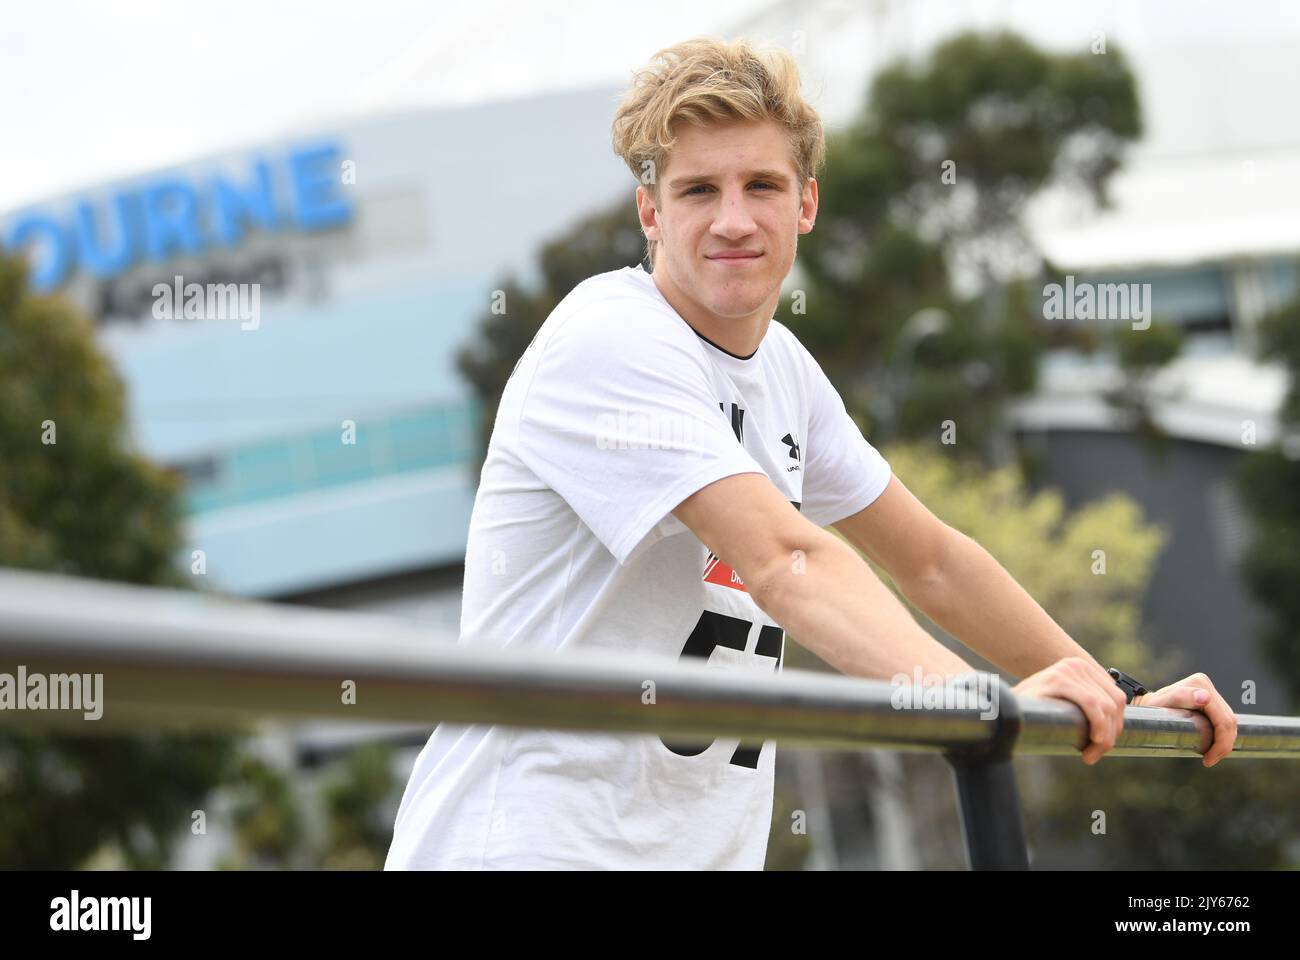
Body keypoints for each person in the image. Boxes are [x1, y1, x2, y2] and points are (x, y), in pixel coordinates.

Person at [384, 36, 1237, 870]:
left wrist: (1113, 695)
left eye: (761, 185)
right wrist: (981, 706)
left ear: (806, 205)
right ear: (651, 212)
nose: (733, 219)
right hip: (522, 845)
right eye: (696, 191)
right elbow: (783, 559)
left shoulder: (784, 370)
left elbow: (932, 559)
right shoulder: (609, 338)